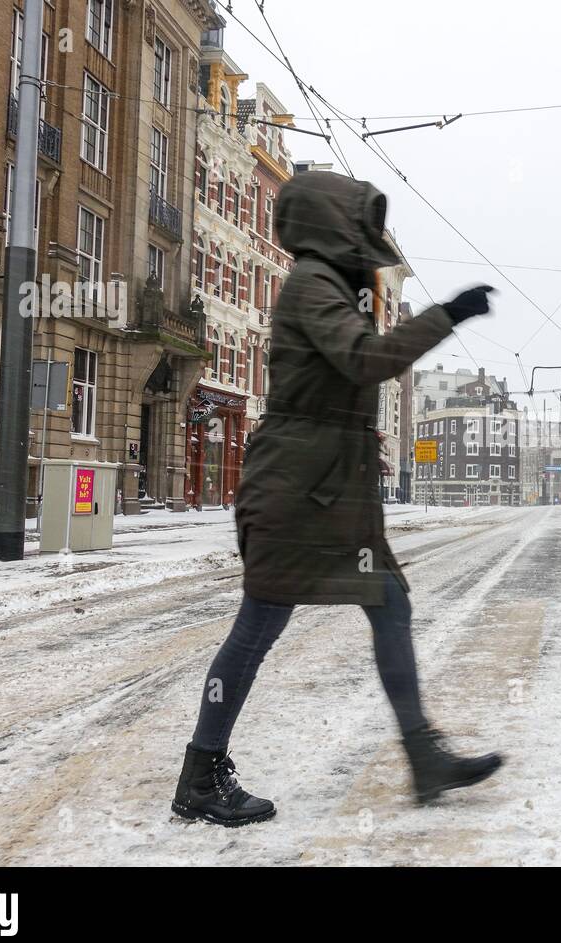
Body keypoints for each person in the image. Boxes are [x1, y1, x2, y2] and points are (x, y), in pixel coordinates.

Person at [172, 171, 503, 826]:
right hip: (299, 494)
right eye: (364, 225)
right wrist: (449, 314)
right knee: (259, 625)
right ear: (335, 225)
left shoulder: (332, 286)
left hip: (329, 492)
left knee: (390, 604)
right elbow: (362, 362)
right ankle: (200, 774)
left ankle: (422, 753)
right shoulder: (311, 284)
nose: (372, 240)